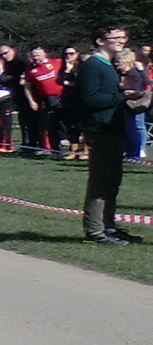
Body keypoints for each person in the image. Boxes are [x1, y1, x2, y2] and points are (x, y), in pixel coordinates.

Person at [63, 25, 138, 243]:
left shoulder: (110, 65)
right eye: (116, 37)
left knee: (113, 180)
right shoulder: (92, 65)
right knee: (100, 181)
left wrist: (126, 92)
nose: (121, 41)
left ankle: (109, 225)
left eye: (123, 37)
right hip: (99, 129)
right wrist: (123, 95)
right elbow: (90, 99)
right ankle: (95, 229)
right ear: (100, 41)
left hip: (113, 128)